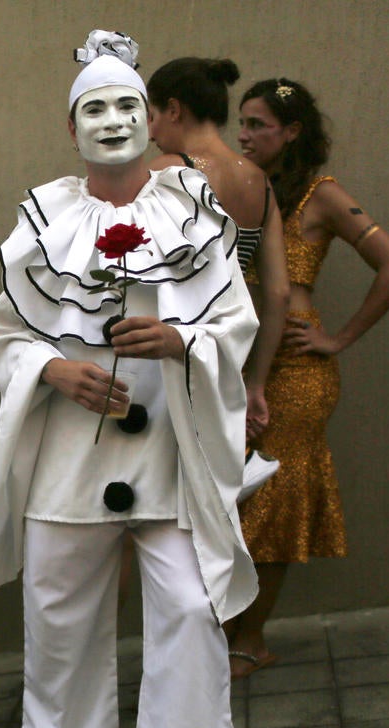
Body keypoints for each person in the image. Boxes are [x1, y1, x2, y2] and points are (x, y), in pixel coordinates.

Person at [0, 30, 276, 728]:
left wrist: (184, 341)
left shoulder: (196, 208)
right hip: (72, 459)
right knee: (58, 615)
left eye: (126, 106)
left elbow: (235, 321)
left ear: (151, 117)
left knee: (191, 610)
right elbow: (8, 333)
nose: (111, 121)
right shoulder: (46, 215)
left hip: (168, 460)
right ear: (71, 128)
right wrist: (55, 370)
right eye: (93, 109)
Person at [223, 78, 389, 677]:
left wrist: (339, 338)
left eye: (258, 124)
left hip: (298, 374)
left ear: (293, 132)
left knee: (271, 502)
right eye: (242, 123)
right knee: (228, 502)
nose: (245, 135)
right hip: (238, 366)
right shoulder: (241, 188)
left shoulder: (322, 196)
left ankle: (247, 639)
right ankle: (222, 633)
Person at [145, 57, 288, 442]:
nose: (149, 131)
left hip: (171, 353)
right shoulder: (260, 182)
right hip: (226, 356)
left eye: (152, 115)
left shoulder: (167, 172)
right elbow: (278, 293)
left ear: (174, 109)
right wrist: (255, 384)